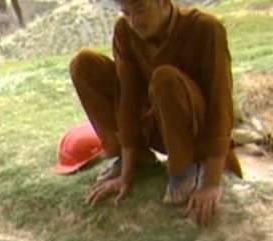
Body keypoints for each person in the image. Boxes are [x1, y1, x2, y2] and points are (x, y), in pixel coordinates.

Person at [69, 0, 243, 227]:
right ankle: (138, 158)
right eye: (126, 12)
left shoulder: (207, 29)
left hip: (194, 133)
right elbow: (127, 98)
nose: (134, 21)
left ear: (163, 2)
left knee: (164, 78)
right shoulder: (125, 30)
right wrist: (127, 172)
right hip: (157, 125)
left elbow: (220, 105)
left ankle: (184, 170)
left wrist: (211, 183)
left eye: (140, 9)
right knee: (83, 64)